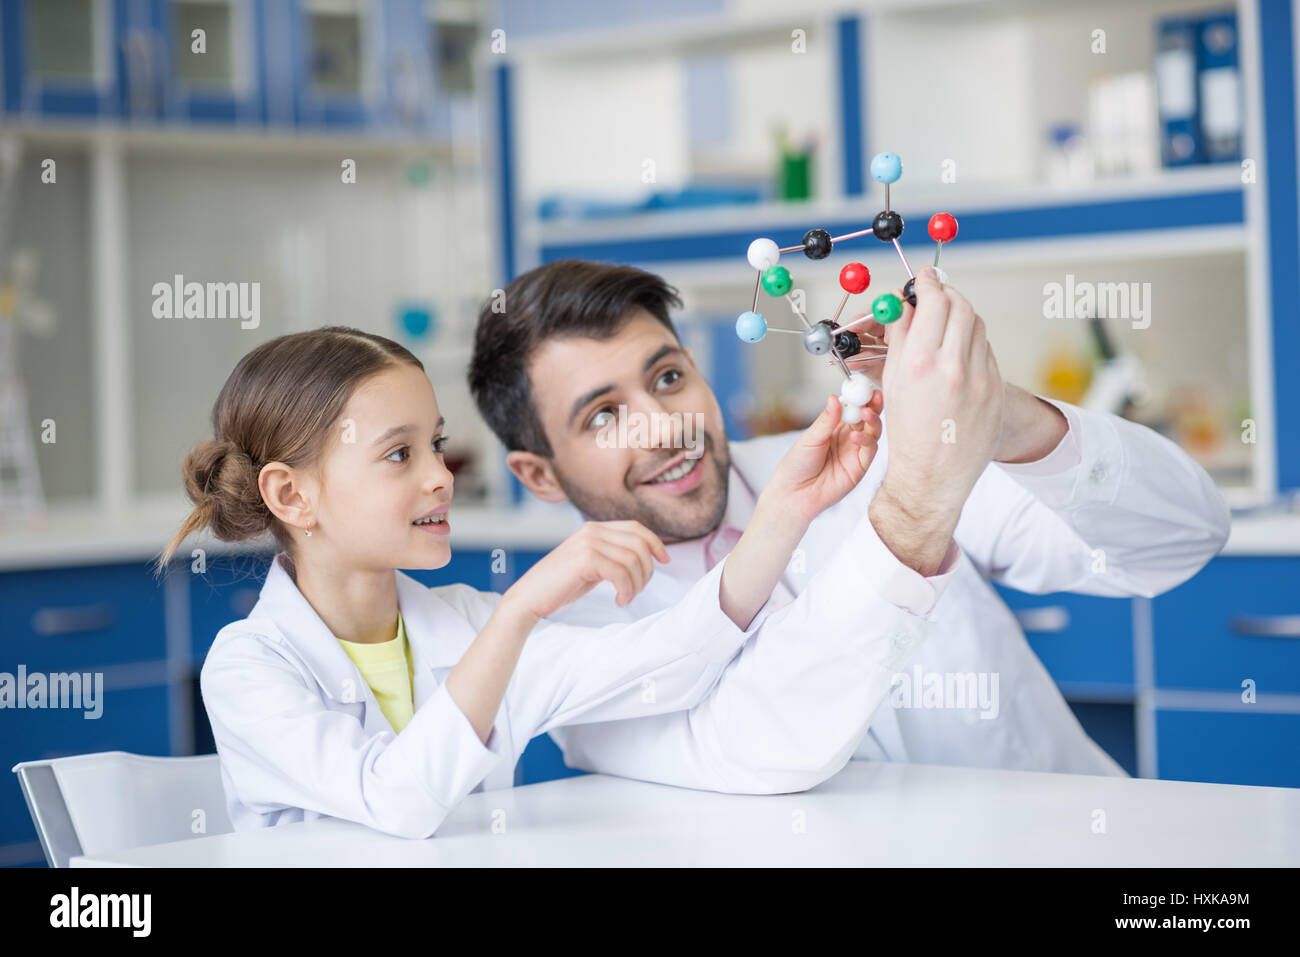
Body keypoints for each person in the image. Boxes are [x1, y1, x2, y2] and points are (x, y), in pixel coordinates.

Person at [467, 260, 1231, 791]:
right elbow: (765, 750)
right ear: (538, 473)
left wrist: (1004, 418)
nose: (665, 428)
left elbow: (1183, 538)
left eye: (668, 377)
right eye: (604, 415)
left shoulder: (867, 446)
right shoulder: (570, 647)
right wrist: (912, 512)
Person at [160, 326, 897, 838]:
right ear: (292, 496)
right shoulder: (248, 667)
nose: (437, 476)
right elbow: (395, 798)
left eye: (437, 444)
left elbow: (666, 665)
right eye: (398, 454)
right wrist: (522, 608)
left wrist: (784, 512)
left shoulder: (465, 622)